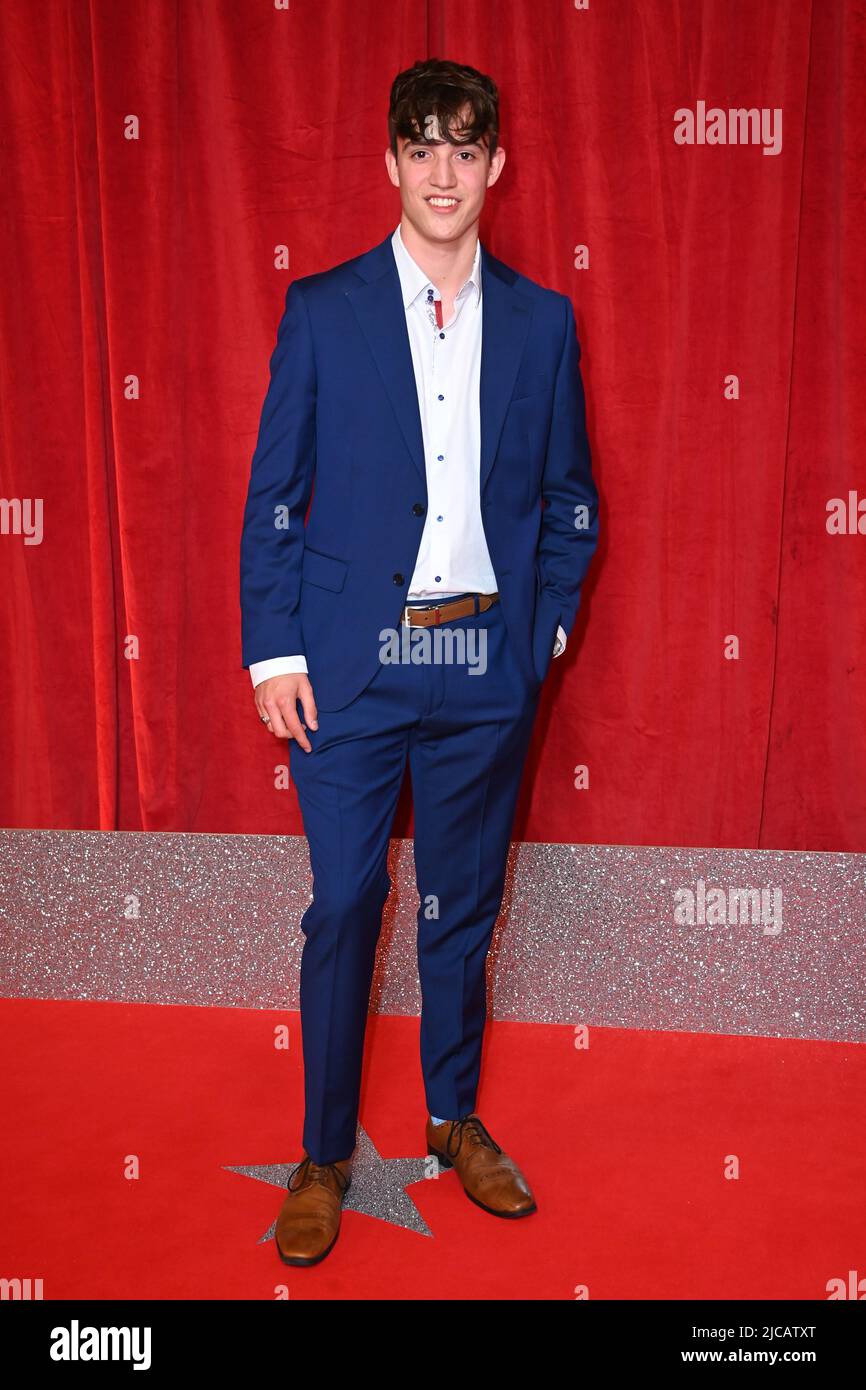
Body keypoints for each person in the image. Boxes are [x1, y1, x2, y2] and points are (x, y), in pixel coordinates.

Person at [239, 57, 599, 1266]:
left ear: (494, 166)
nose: (443, 170)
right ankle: (323, 1152)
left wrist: (535, 634)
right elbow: (273, 495)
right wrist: (272, 650)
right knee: (346, 900)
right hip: (345, 667)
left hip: (478, 662)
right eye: (421, 146)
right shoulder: (321, 310)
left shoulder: (545, 321)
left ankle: (451, 1121)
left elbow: (569, 502)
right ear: (390, 163)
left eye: (465, 148)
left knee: (460, 908)